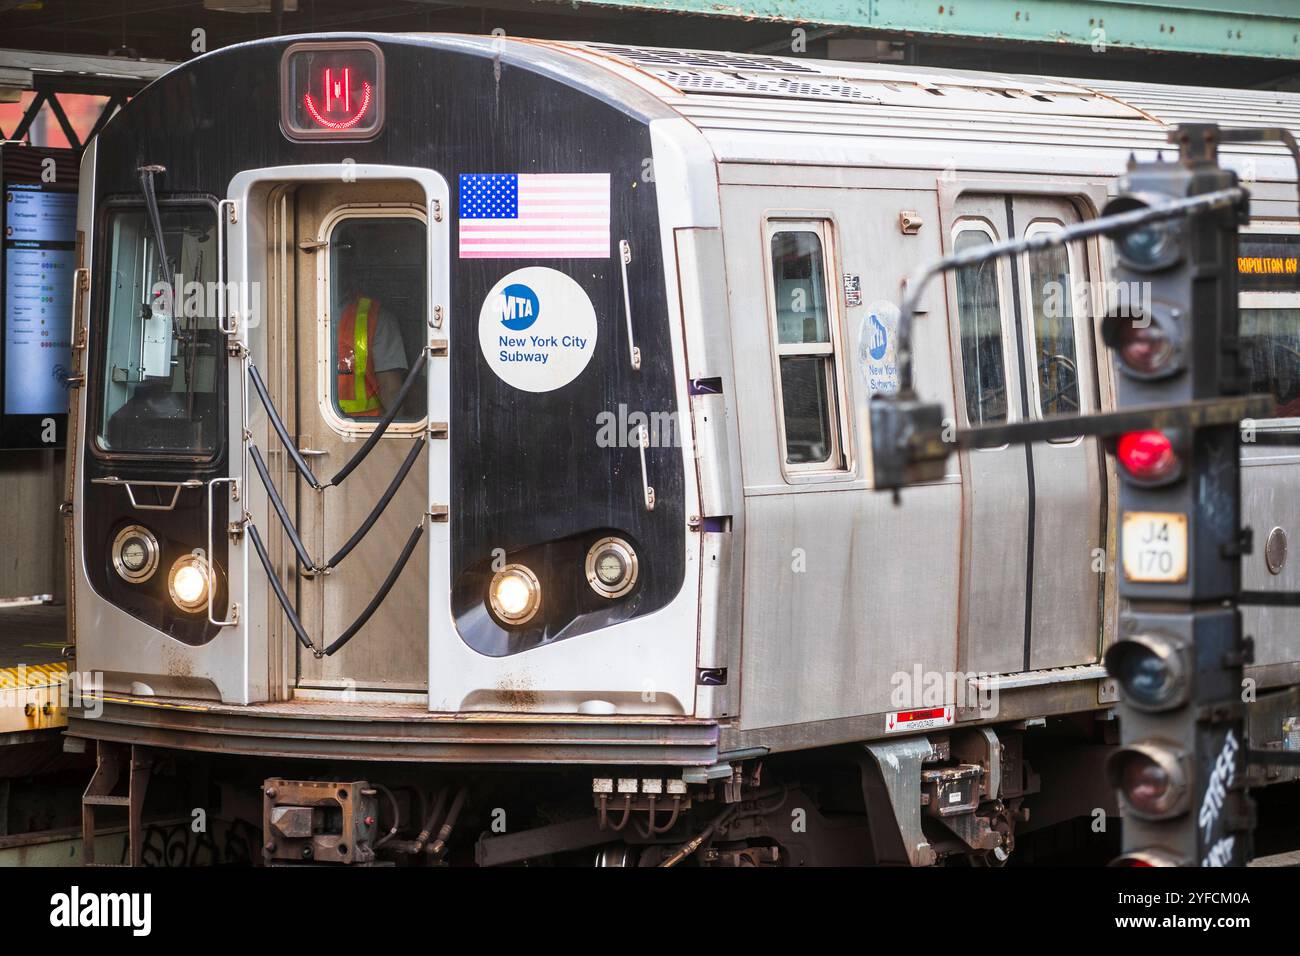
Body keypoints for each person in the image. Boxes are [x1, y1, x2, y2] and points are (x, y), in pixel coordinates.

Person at [335, 290, 408, 418]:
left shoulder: (305, 314)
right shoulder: (377, 317)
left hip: (361, 429)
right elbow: (390, 391)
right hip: (370, 429)